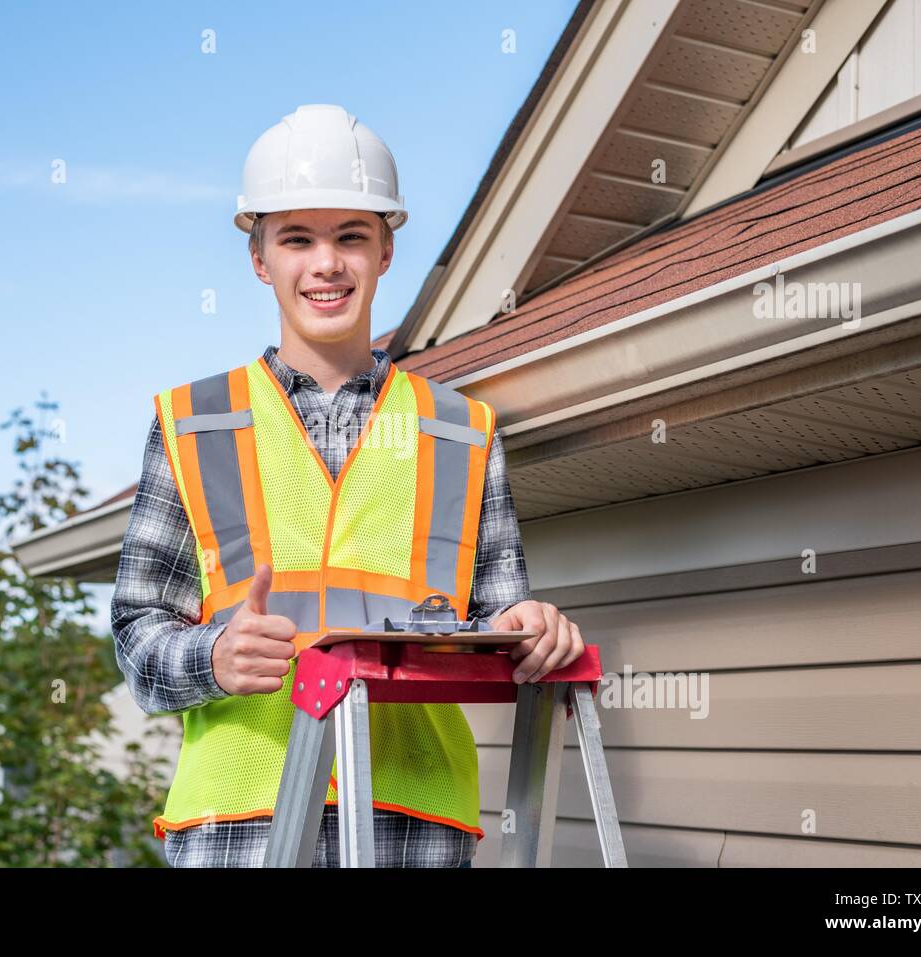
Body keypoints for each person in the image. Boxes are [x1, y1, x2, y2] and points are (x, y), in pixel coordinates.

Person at [110, 104, 584, 868]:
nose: (326, 263)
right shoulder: (194, 423)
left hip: (410, 818)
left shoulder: (460, 431)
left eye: (350, 236)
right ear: (260, 257)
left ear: (387, 250)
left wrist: (535, 629)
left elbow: (502, 625)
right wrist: (214, 657)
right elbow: (138, 640)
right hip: (242, 821)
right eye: (297, 238)